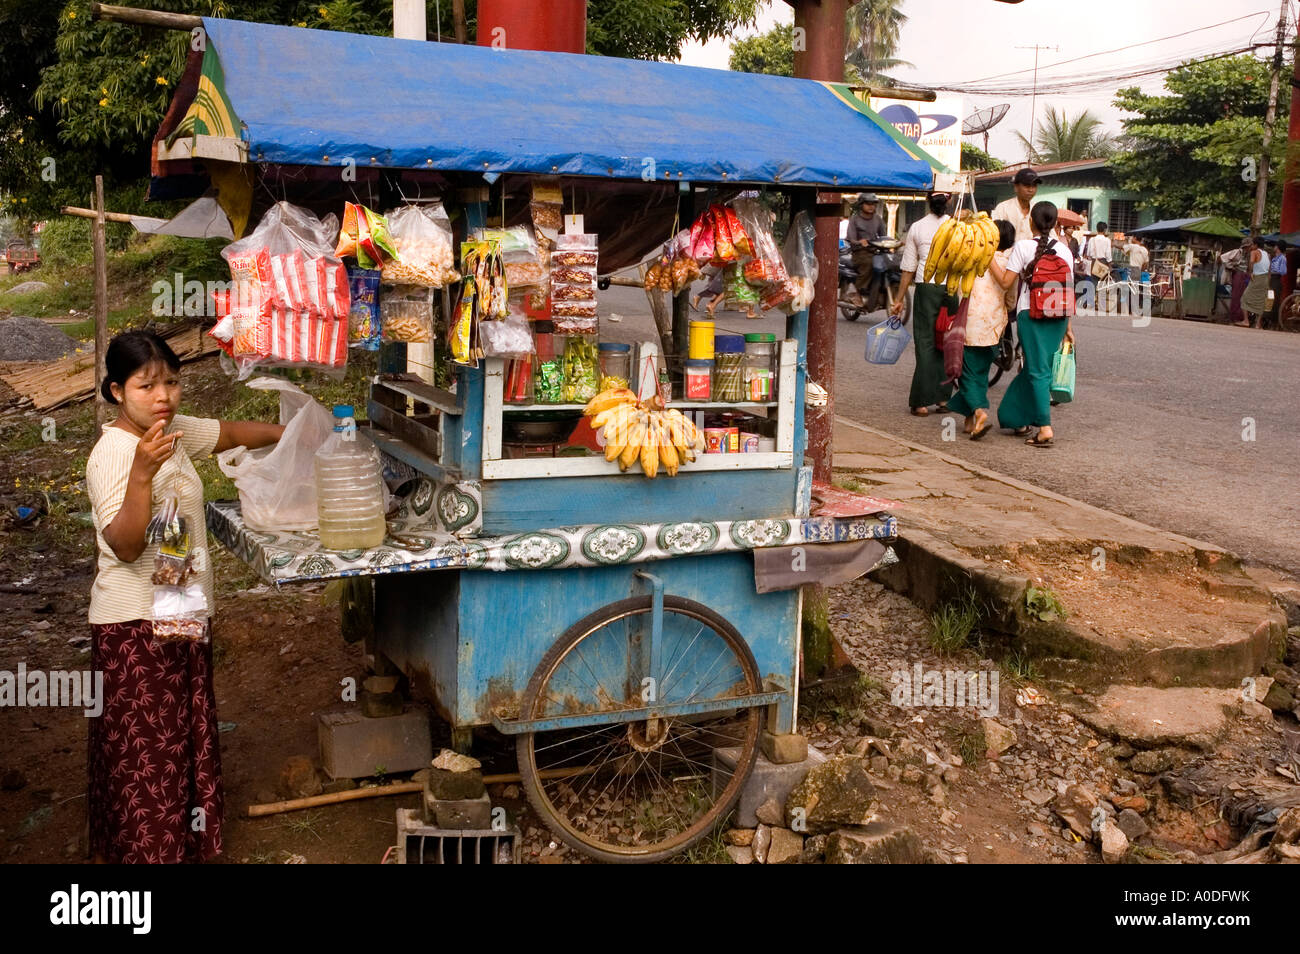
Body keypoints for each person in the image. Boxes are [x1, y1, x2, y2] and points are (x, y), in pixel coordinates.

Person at [86, 330, 285, 863]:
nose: (163, 397)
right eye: (145, 385)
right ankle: (147, 855)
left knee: (179, 738)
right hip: (134, 624)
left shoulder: (170, 433)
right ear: (115, 392)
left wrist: (302, 432)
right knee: (146, 752)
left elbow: (229, 432)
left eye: (171, 382)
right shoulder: (116, 454)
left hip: (177, 605)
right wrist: (142, 477)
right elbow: (126, 546)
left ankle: (182, 844)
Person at [986, 201, 1076, 446]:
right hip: (1057, 318)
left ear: (1030, 222)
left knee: (1037, 371)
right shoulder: (1066, 251)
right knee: (1035, 369)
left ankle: (1045, 427)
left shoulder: (1023, 247)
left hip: (1031, 315)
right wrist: (1068, 327)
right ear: (1057, 224)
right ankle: (1016, 417)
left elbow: (1005, 283)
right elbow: (1067, 291)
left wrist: (988, 258)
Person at [947, 220, 1018, 440]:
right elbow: (1012, 300)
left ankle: (979, 411)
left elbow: (958, 286)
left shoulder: (974, 257)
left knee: (967, 374)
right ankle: (969, 421)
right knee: (980, 372)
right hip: (996, 325)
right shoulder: (1011, 262)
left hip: (971, 322)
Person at [891, 191, 955, 415]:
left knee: (926, 341)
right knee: (947, 341)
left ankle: (921, 401)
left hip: (926, 286)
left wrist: (899, 300)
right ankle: (943, 399)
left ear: (928, 202)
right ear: (948, 202)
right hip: (953, 288)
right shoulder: (957, 227)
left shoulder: (917, 227)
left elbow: (909, 266)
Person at [845, 192, 888, 305]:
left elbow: (884, 236)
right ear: (861, 204)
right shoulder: (854, 220)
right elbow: (850, 238)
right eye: (868, 204)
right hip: (860, 253)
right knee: (869, 263)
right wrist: (859, 242)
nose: (871, 206)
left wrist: (895, 243)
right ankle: (856, 293)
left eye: (873, 204)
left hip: (875, 252)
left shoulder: (878, 219)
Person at [992, 168, 1039, 241]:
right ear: (1016, 187)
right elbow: (994, 236)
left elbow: (1051, 237)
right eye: (1027, 185)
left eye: (1034, 186)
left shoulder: (1038, 209)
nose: (1031, 190)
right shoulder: (1003, 208)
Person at [1240, 236, 1270, 328]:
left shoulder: (1254, 252)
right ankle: (1258, 324)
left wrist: (1251, 272)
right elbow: (1269, 270)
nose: (1251, 246)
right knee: (1261, 301)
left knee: (1245, 298)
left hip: (1256, 278)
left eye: (1253, 244)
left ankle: (1246, 321)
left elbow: (1251, 263)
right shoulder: (1267, 254)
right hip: (1265, 279)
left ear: (1256, 245)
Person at [1083, 221, 1112, 311]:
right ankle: (1100, 304)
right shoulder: (1107, 240)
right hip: (1103, 262)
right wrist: (1110, 264)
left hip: (1094, 262)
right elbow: (1108, 254)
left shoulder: (1092, 240)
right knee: (1103, 283)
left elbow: (1088, 253)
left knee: (1093, 282)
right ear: (1104, 230)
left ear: (1097, 229)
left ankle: (1090, 303)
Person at [1219, 240, 1249, 325]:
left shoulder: (1247, 255)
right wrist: (1231, 267)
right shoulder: (1237, 252)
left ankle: (1239, 318)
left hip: (1244, 276)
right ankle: (1234, 318)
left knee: (1241, 297)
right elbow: (1223, 258)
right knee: (1236, 297)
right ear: (1246, 246)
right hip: (1238, 275)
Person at [1266, 240, 1288, 330]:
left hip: (1276, 280)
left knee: (1274, 302)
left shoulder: (1282, 258)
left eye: (1275, 246)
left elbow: (1283, 271)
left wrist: (1274, 270)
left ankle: (1274, 322)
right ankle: (1269, 320)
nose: (1274, 247)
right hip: (1271, 279)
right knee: (1269, 300)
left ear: (1278, 247)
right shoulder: (1275, 257)